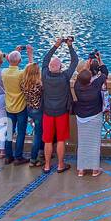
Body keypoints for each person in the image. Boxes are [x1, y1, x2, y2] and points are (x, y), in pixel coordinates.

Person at [40, 37, 78, 174]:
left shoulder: (44, 75)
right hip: (61, 112)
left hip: (47, 112)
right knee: (61, 140)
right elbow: (75, 62)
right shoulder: (65, 77)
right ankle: (61, 165)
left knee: (48, 140)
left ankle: (47, 165)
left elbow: (45, 59)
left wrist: (56, 45)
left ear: (49, 67)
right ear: (61, 68)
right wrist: (70, 46)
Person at [72, 55, 108, 177]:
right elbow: (104, 72)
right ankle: (94, 170)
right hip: (95, 116)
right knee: (94, 143)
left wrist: (86, 66)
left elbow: (80, 76)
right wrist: (100, 59)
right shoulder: (95, 85)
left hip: (81, 117)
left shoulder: (77, 86)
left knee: (82, 143)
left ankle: (81, 169)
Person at [1, 46, 34, 165]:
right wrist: (30, 55)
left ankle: (8, 156)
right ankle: (18, 156)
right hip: (21, 107)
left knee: (9, 131)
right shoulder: (21, 74)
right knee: (20, 132)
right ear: (20, 61)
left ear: (9, 59)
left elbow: (11, 61)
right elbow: (32, 70)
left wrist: (14, 54)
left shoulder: (4, 73)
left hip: (9, 106)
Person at [15, 62, 44, 166]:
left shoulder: (23, 83)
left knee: (37, 131)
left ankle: (41, 152)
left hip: (29, 110)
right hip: (38, 111)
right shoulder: (39, 84)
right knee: (37, 134)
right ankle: (33, 158)